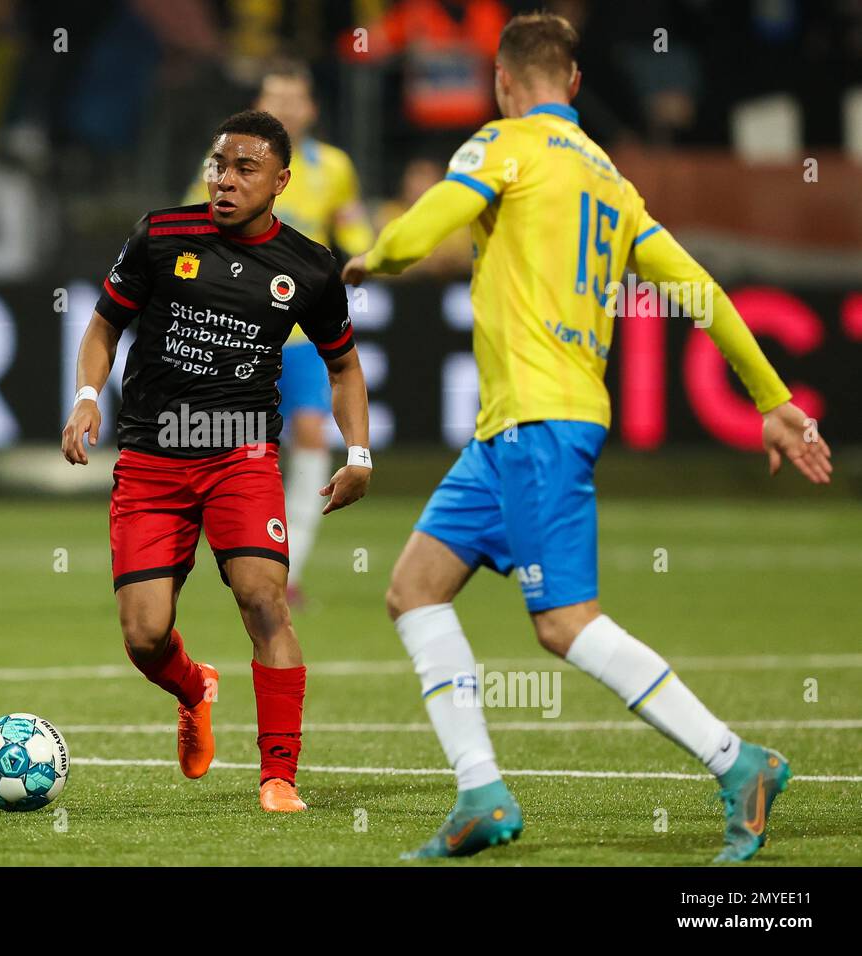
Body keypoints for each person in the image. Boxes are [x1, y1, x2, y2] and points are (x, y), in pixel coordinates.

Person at [343, 12, 831, 861]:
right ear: (572, 84)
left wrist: (365, 260)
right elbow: (703, 291)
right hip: (509, 433)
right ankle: (481, 792)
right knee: (414, 589)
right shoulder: (613, 180)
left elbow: (421, 232)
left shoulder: (500, 145)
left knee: (565, 623)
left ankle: (738, 761)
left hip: (540, 422)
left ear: (502, 81)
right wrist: (772, 397)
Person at [63, 110, 372, 812]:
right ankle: (194, 685)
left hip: (241, 454)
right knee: (144, 636)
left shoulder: (310, 266)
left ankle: (278, 776)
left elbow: (344, 368)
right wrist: (87, 395)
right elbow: (105, 324)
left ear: (281, 182)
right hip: (150, 456)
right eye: (218, 166)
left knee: (263, 598)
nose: (225, 181)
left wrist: (359, 453)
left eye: (244, 170)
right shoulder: (161, 235)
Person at [188, 60, 373, 608]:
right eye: (276, 97)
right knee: (230, 443)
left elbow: (352, 222)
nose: (287, 107)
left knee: (312, 438)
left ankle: (286, 568)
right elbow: (189, 224)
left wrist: (373, 250)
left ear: (311, 109)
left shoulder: (334, 167)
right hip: (238, 328)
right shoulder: (224, 162)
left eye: (295, 98)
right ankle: (225, 549)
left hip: (302, 333)